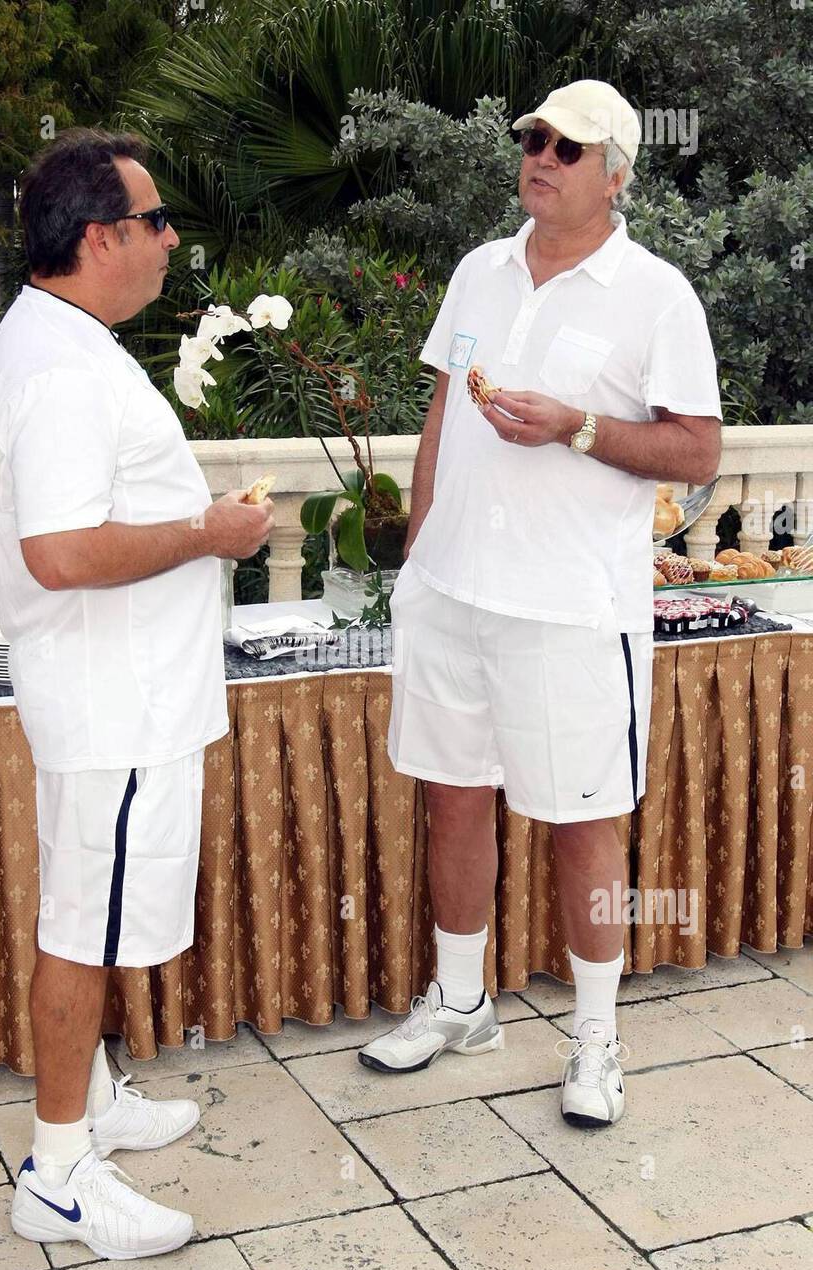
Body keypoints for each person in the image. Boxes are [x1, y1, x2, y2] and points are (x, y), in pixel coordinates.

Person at [360, 80, 722, 1126]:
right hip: (451, 591)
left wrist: (576, 427)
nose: (542, 156)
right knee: (452, 793)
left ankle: (597, 1041)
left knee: (583, 824)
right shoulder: (478, 270)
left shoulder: (655, 295)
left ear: (616, 174)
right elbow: (442, 410)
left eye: (568, 146)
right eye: (532, 138)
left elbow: (697, 451)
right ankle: (463, 1002)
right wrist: (419, 553)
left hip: (568, 608)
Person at [0, 128, 274, 1258]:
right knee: (83, 930)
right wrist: (210, 531)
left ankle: (92, 1098)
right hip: (112, 701)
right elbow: (57, 550)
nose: (169, 239)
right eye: (155, 222)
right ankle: (58, 1173)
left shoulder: (65, 339)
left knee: (87, 912)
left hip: (118, 695)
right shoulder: (59, 365)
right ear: (100, 237)